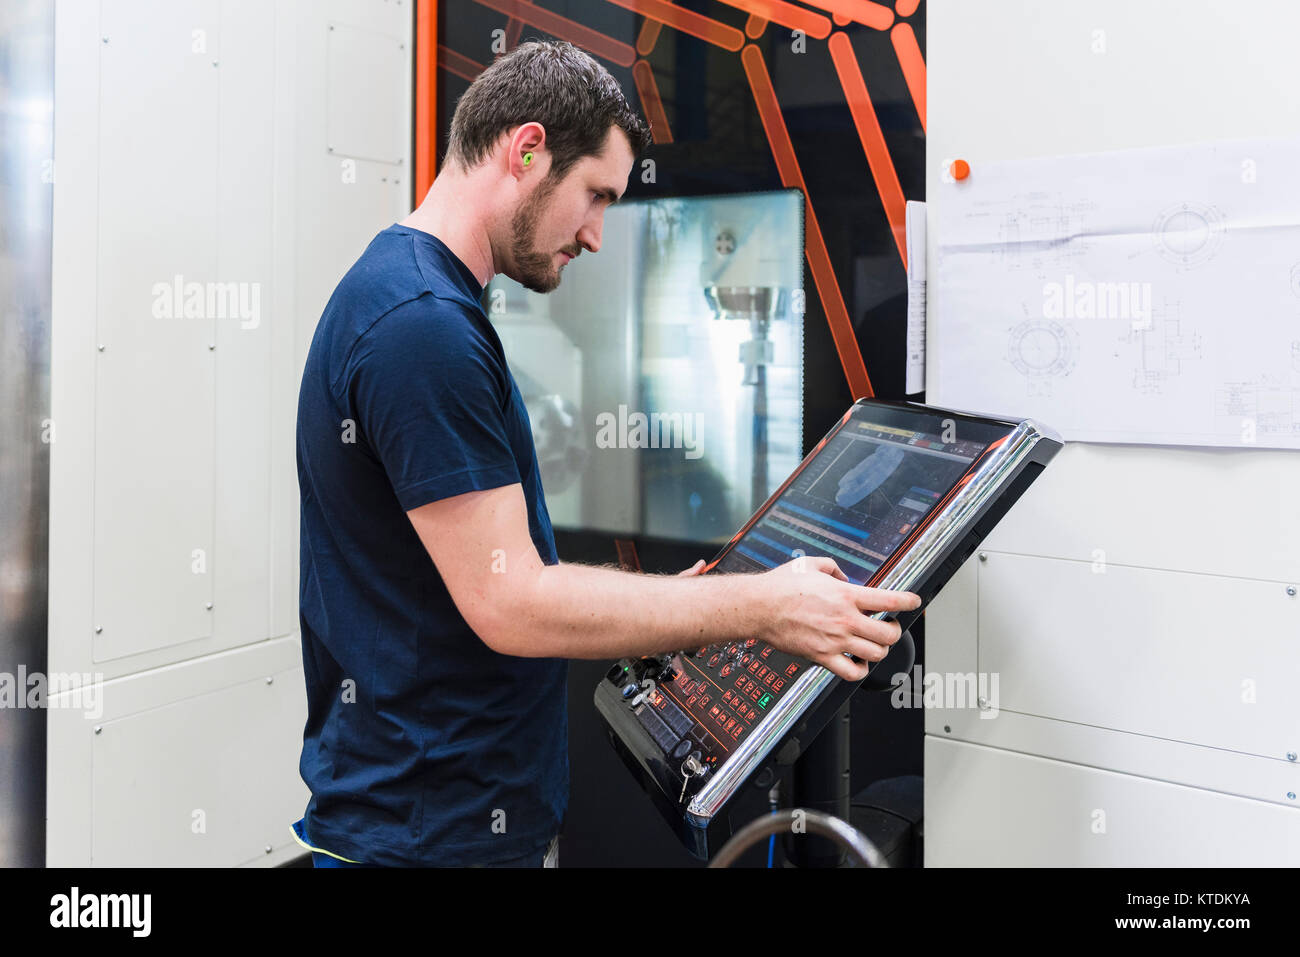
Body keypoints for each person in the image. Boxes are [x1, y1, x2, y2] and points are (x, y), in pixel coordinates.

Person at [291, 39, 919, 868]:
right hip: (426, 838)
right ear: (526, 150)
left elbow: (493, 579)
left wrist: (675, 606)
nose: (594, 236)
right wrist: (760, 606)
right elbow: (512, 602)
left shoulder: (418, 298)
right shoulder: (420, 328)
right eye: (595, 196)